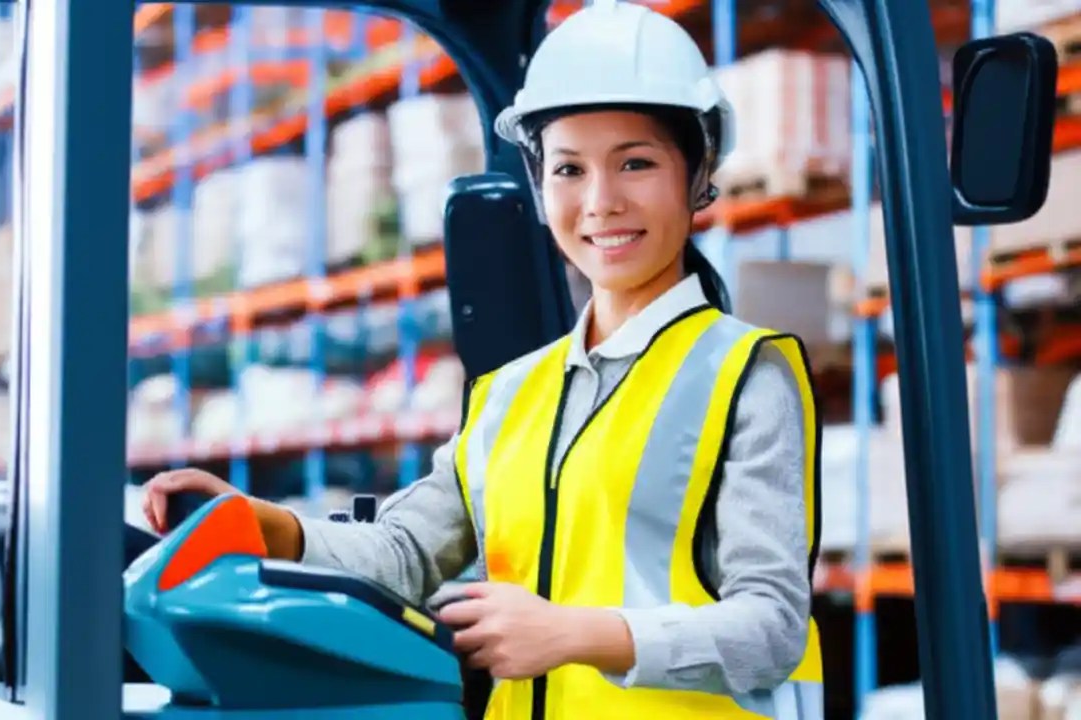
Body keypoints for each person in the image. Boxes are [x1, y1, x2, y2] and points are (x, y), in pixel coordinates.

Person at [140, 1, 824, 718]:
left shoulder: (743, 372)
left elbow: (771, 628)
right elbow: (406, 553)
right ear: (538, 185)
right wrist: (260, 522)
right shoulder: (512, 392)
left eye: (636, 162)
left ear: (699, 172)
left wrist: (577, 634)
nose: (601, 201)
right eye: (568, 169)